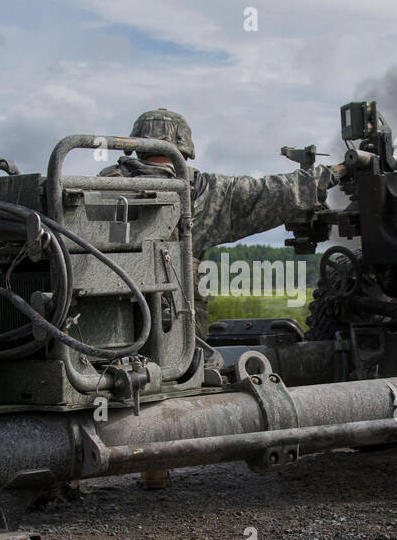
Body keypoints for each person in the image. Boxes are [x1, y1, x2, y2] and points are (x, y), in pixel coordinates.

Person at [101, 108, 346, 488]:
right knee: (172, 391)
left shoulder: (101, 185)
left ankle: (65, 479)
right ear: (183, 147)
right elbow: (270, 193)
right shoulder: (196, 192)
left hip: (104, 329)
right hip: (171, 332)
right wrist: (334, 173)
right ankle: (156, 469)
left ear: (137, 145)